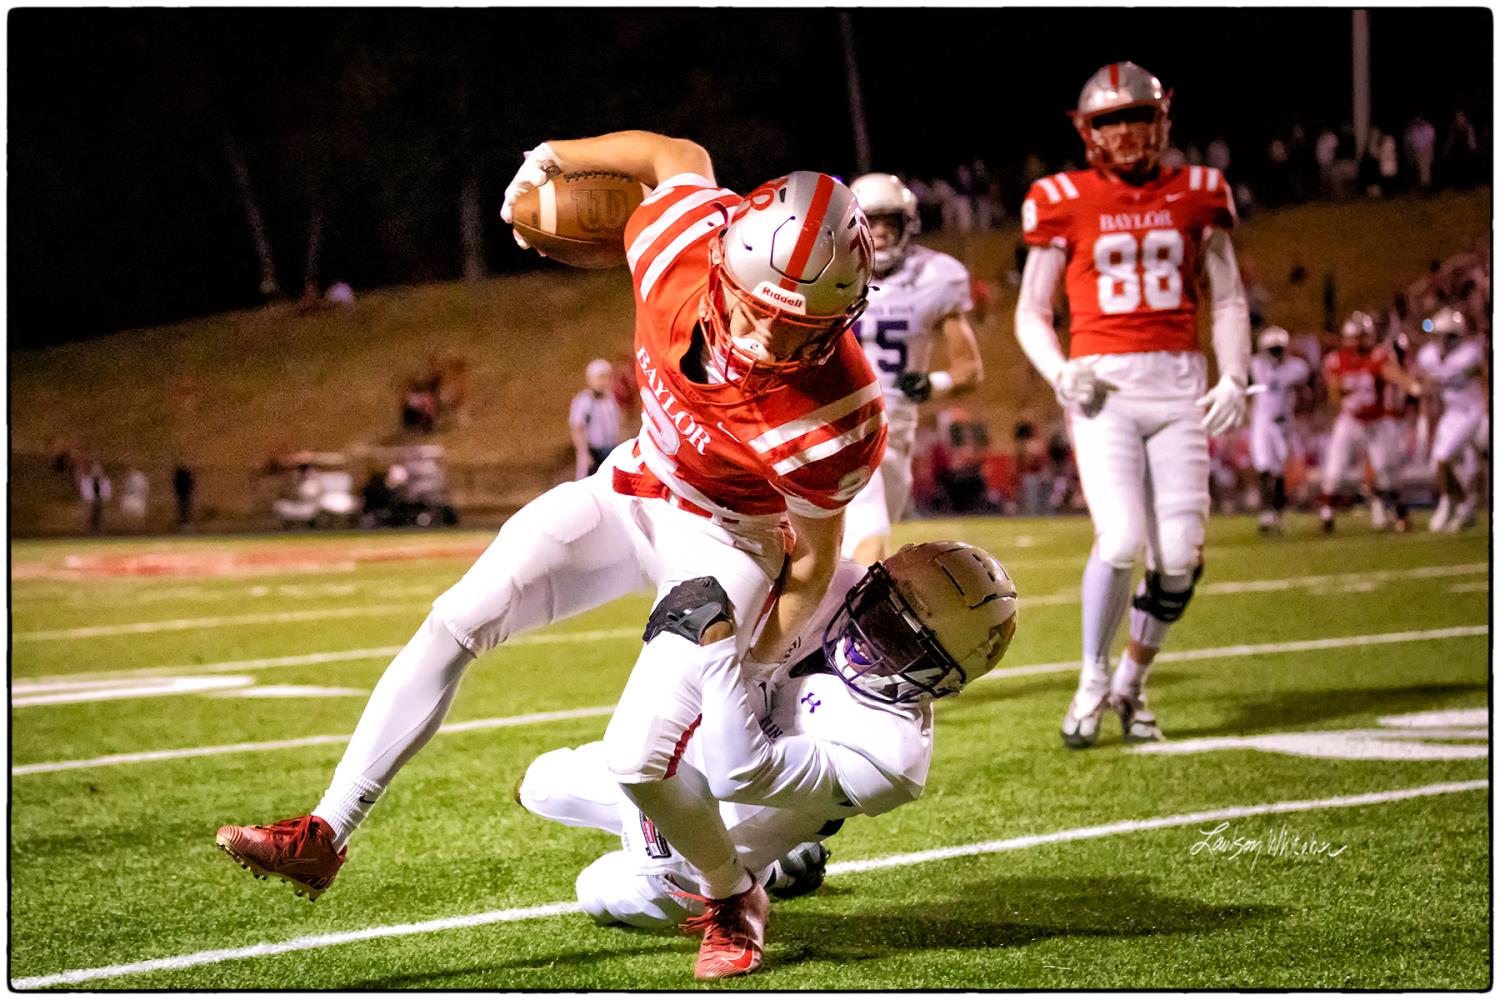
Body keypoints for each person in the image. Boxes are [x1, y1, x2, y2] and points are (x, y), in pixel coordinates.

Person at [215, 131, 885, 981]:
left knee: (640, 757)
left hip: (727, 539)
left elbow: (814, 563)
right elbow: (675, 154)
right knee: (460, 616)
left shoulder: (835, 413)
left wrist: (749, 664)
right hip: (634, 488)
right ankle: (325, 832)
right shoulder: (682, 243)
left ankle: (731, 891)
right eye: (760, 307)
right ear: (725, 262)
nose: (770, 338)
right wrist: (550, 157)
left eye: (802, 328)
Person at [518, 542, 1017, 935]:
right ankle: (786, 867)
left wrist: (714, 653)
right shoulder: (837, 584)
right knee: (537, 784)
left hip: (710, 849)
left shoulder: (891, 760)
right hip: (680, 764)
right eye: (880, 614)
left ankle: (764, 873)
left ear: (945, 680)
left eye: (905, 644)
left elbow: (738, 773)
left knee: (592, 890)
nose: (871, 642)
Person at [1012, 62, 1252, 749]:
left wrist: (1233, 374)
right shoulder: (1060, 196)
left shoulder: (1202, 191)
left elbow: (1230, 297)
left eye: (1138, 116)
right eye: (1112, 121)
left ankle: (1132, 681)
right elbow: (1031, 311)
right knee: (1119, 538)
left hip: (1179, 382)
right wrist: (1060, 373)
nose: (1127, 133)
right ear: (1089, 131)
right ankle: (1091, 676)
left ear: (1163, 118)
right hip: (1102, 386)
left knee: (1177, 556)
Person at [841, 173, 984, 564]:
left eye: (891, 221)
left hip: (896, 428)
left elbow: (969, 369)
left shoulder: (937, 275)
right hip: (839, 422)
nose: (883, 232)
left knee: (852, 552)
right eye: (873, 222)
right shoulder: (830, 268)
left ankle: (821, 622)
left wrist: (932, 382)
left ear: (909, 225)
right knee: (868, 540)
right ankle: (849, 624)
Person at [1318, 311, 1423, 534]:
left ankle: (1401, 513)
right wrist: (1344, 391)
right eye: (1360, 336)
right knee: (1335, 468)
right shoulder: (1337, 360)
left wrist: (1411, 386)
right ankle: (1326, 515)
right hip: (1350, 420)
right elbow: (1334, 394)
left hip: (1377, 421)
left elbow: (1392, 374)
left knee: (1386, 469)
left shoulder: (1377, 356)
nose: (1363, 341)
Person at [1414, 309, 1487, 532]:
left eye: (1448, 335)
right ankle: (1457, 503)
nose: (1442, 341)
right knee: (1438, 461)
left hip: (1471, 411)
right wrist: (1425, 417)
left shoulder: (1469, 354)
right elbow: (1428, 386)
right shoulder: (1428, 355)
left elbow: (1485, 380)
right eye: (1439, 335)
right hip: (1451, 412)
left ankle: (1460, 504)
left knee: (1446, 458)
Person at [1248, 327, 1311, 534]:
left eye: (1278, 349)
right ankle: (1267, 513)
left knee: (1279, 470)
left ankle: (1276, 511)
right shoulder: (1256, 364)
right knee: (1264, 467)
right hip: (1262, 422)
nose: (1275, 354)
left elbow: (1306, 390)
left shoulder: (1296, 367)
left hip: (1284, 423)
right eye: (1272, 350)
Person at [569, 358, 627, 479]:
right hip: (593, 451)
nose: (604, 381)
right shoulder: (584, 400)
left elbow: (618, 422)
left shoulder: (610, 399)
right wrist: (584, 452)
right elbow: (577, 427)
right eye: (600, 377)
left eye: (606, 377)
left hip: (610, 450)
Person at [79, 461, 111, 535]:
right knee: (91, 512)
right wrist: (89, 500)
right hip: (90, 501)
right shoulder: (87, 480)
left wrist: (104, 499)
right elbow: (85, 492)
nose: (96, 471)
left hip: (100, 501)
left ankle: (100, 531)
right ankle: (90, 531)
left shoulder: (104, 480)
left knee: (100, 512)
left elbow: (107, 492)